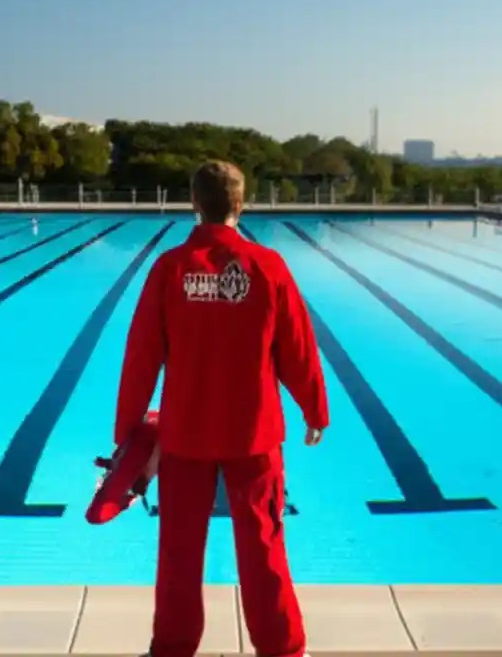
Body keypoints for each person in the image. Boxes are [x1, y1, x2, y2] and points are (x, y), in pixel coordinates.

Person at [114, 160, 329, 657]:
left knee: (178, 555)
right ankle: (283, 648)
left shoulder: (170, 268)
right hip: (254, 436)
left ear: (194, 203)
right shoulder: (268, 267)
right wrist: (314, 410)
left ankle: (172, 647)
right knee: (264, 550)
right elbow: (298, 347)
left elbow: (141, 355)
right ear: (240, 204)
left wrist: (128, 434)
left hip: (185, 437)